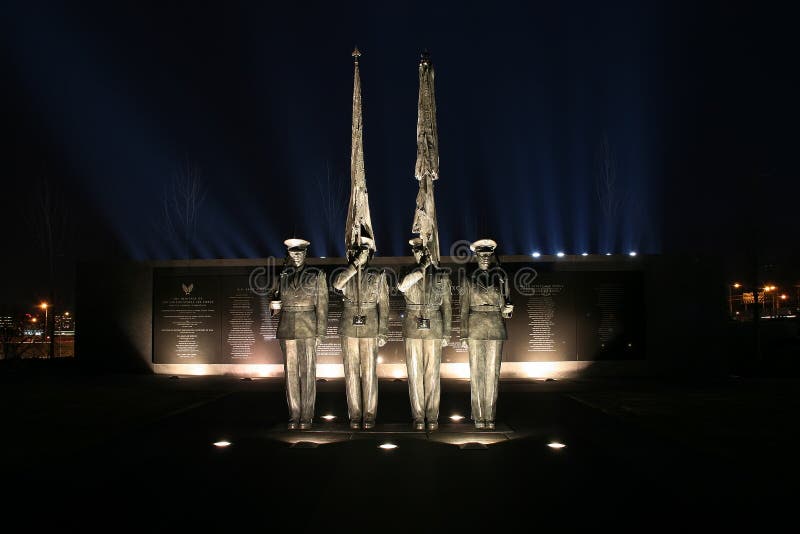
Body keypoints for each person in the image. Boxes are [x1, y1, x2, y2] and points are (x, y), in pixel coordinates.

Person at [269, 238, 328, 430]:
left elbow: (322, 306)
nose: (295, 255)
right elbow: (273, 304)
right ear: (288, 254)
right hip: (287, 326)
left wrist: (320, 333)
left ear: (305, 253)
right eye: (292, 252)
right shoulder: (282, 275)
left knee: (308, 372)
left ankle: (307, 415)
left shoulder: (316, 274)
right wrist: (274, 303)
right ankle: (294, 414)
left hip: (308, 327)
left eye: (299, 252)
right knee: (291, 374)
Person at [332, 236, 389, 429]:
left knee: (370, 373)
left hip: (370, 325)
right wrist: (355, 264)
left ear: (370, 254)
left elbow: (384, 305)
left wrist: (383, 331)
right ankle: (355, 415)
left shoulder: (378, 274)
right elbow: (337, 284)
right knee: (351, 373)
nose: (361, 254)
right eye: (358, 251)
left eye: (364, 251)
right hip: (349, 326)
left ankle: (370, 415)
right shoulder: (346, 272)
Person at [397, 238, 451, 431]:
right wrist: (421, 268)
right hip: (412, 326)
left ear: (431, 252)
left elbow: (447, 307)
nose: (420, 253)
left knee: (432, 374)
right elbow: (402, 286)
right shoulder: (406, 271)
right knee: (414, 374)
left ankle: (432, 415)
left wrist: (447, 333)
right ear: (414, 252)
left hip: (434, 325)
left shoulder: (442, 275)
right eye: (417, 250)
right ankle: (418, 416)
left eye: (424, 251)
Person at [459, 239, 513, 430]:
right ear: (476, 256)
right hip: (475, 327)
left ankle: (490, 416)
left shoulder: (501, 277)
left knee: (492, 373)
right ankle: (478, 415)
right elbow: (463, 309)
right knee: (476, 373)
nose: (484, 258)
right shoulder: (468, 279)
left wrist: (507, 310)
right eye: (481, 255)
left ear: (492, 256)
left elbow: (506, 306)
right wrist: (463, 335)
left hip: (495, 326)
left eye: (488, 255)